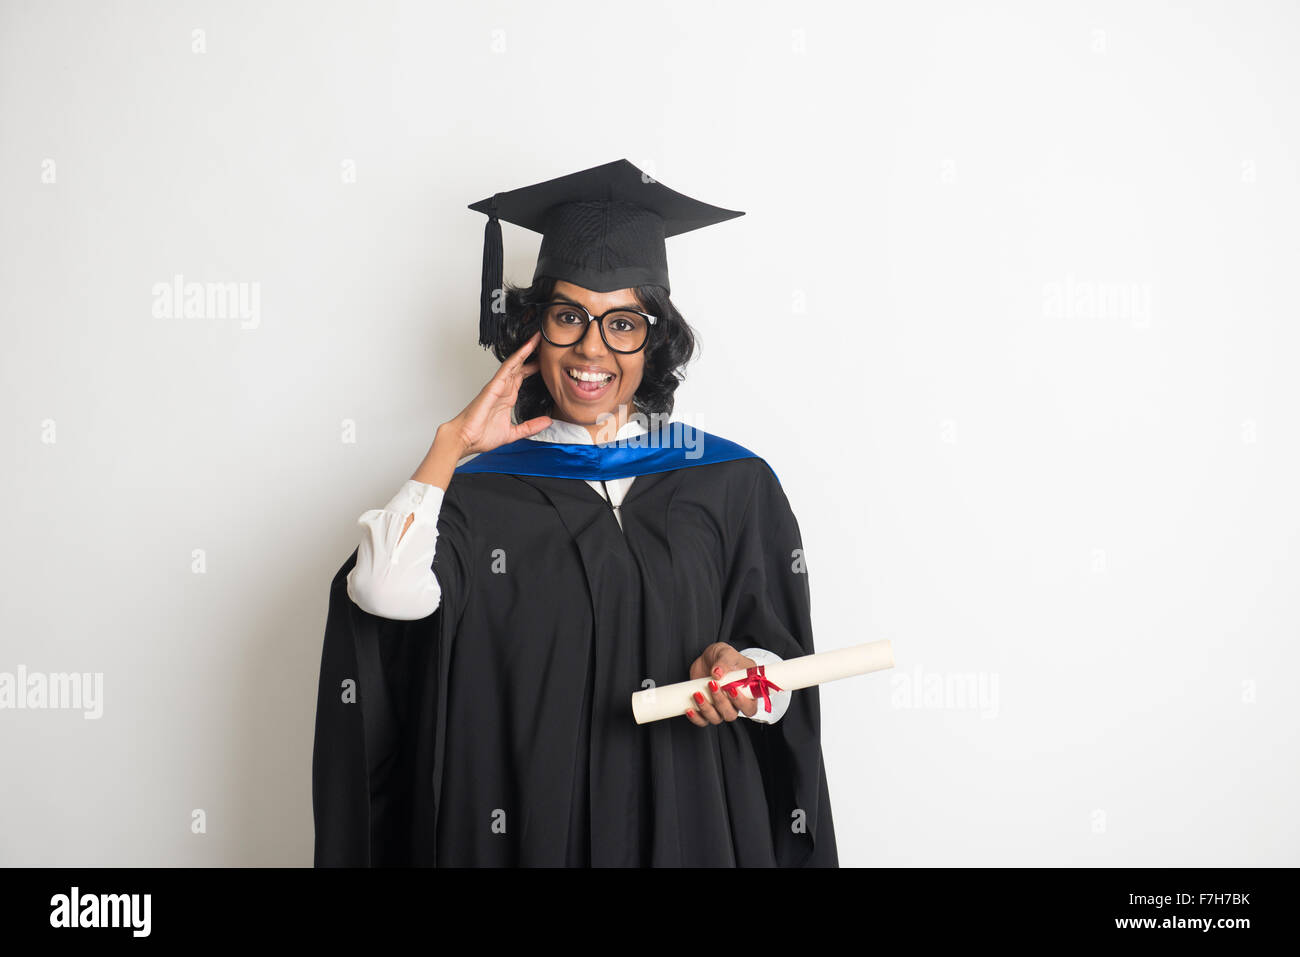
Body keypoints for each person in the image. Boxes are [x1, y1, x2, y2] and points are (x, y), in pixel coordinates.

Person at [312, 159, 837, 866]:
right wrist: (452, 446)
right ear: (534, 332)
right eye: (568, 317)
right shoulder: (478, 496)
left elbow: (782, 682)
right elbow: (381, 594)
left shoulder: (729, 482)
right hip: (530, 824)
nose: (592, 347)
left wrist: (742, 673)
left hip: (694, 820)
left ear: (653, 341)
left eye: (622, 322)